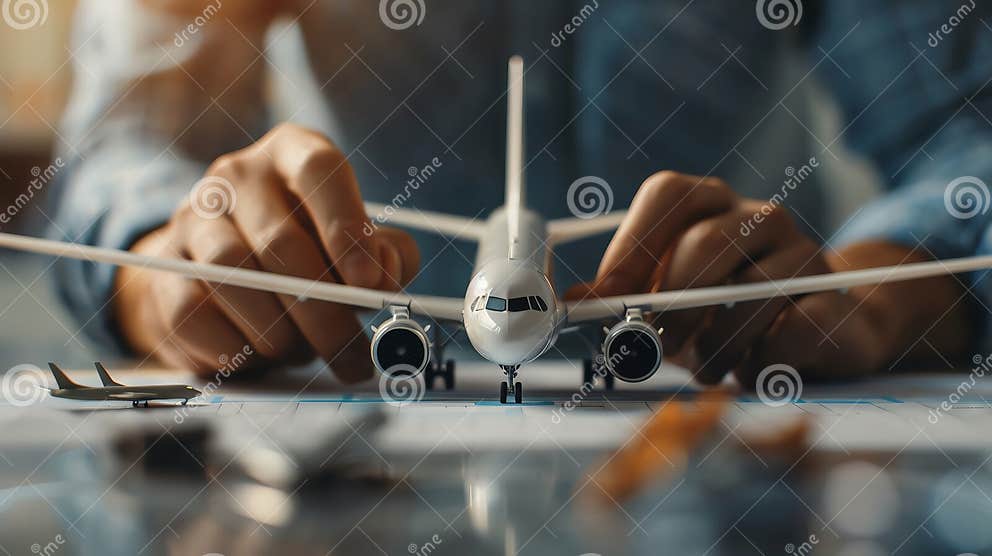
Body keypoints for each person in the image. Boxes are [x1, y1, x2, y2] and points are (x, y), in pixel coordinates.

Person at [50, 0, 990, 387]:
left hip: (735, 390)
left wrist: (880, 291)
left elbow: (965, 138)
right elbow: (126, 142)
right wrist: (169, 265)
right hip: (373, 482)